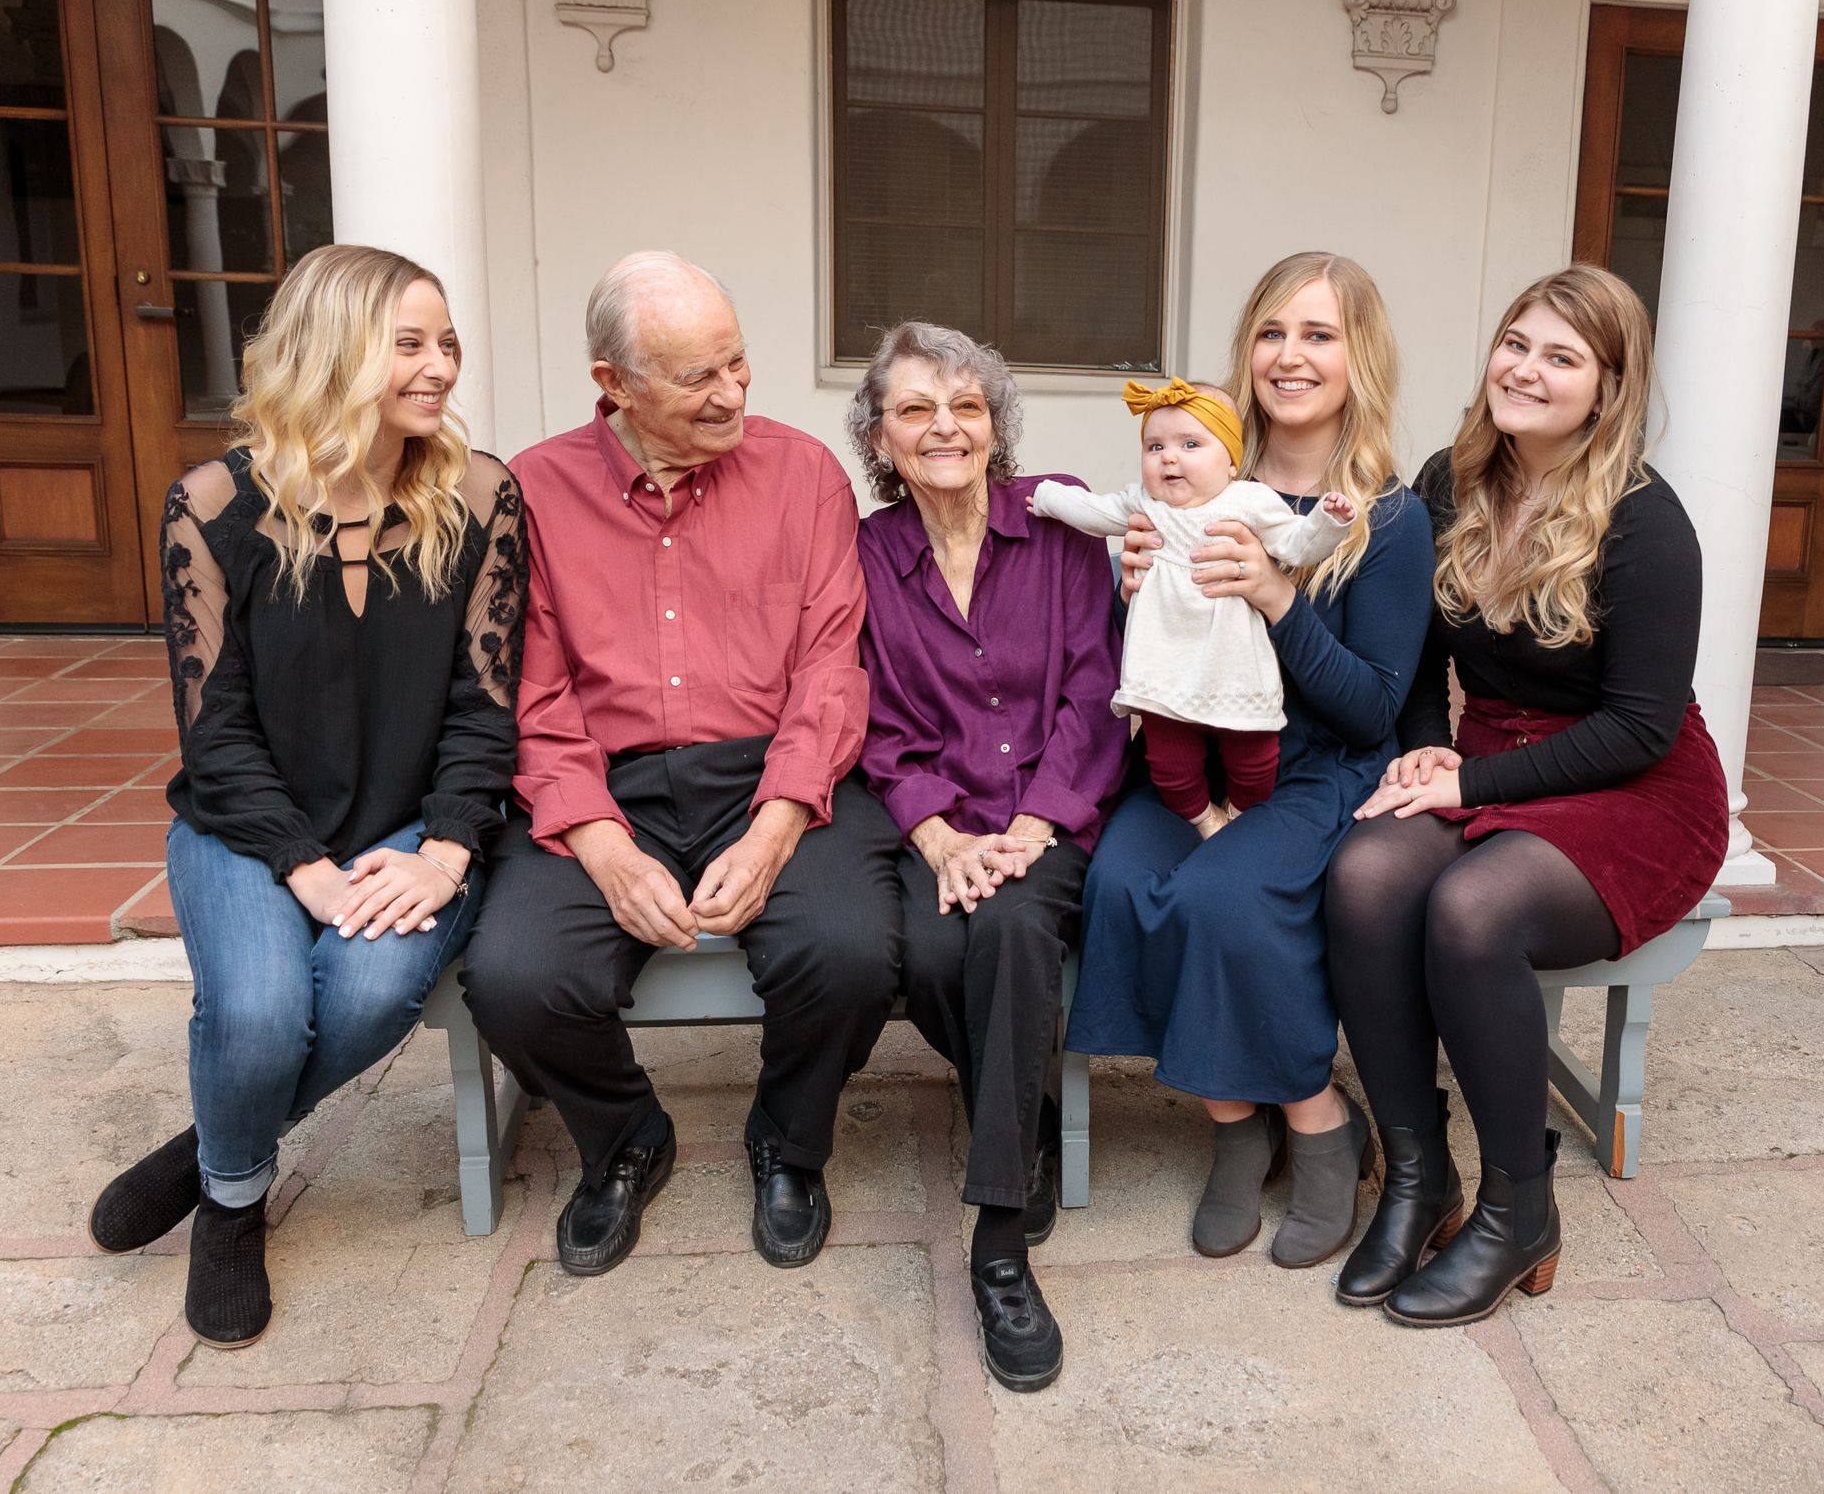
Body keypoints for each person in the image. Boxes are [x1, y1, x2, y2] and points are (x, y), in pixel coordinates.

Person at [88, 244, 524, 1350]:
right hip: (248, 826)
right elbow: (214, 729)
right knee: (258, 1013)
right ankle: (233, 1211)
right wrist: (306, 866)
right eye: (409, 343)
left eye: (447, 341)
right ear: (332, 351)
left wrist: (445, 852)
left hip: (410, 827)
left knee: (372, 996)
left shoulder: (478, 496)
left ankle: (206, 1156)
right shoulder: (214, 504)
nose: (441, 366)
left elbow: (485, 706)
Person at [460, 251, 902, 1278]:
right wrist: (604, 845)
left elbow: (831, 668)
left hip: (769, 771)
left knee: (848, 952)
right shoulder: (531, 488)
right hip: (603, 784)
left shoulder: (801, 474)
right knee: (516, 977)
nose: (733, 392)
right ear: (611, 384)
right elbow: (532, 690)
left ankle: (789, 1141)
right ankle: (624, 1137)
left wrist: (780, 818)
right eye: (698, 376)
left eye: (738, 362)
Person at [1325, 264, 1727, 1327]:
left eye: (1562, 356)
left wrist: (1470, 776)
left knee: (1471, 908)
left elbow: (1639, 726)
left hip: (1630, 789)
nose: (1526, 369)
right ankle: (1420, 1175)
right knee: (1364, 874)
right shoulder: (1445, 482)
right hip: (1485, 759)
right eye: (1516, 342)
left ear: (1606, 386)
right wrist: (1421, 755)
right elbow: (1411, 658)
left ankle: (1517, 1209)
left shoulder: (1645, 523)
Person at [1066, 252, 1434, 1270]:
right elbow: (1138, 656)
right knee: (1121, 878)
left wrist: (1277, 597)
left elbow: (1370, 708)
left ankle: (1318, 1118)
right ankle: (1235, 1119)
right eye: (1272, 332)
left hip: (1319, 768)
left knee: (1221, 894)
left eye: (1318, 335)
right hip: (1197, 757)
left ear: (1358, 357)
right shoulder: (1196, 472)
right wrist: (1132, 585)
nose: (1290, 355)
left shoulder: (1382, 520)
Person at [845, 320, 1129, 1393]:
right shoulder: (870, 556)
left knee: (1011, 927)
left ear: (996, 423)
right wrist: (936, 833)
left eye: (966, 404)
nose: (944, 426)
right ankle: (1030, 1112)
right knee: (917, 954)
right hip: (946, 823)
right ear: (879, 433)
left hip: (1054, 810)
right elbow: (874, 722)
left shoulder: (1056, 519)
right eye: (916, 407)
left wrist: (1039, 822)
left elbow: (1097, 686)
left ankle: (998, 1237)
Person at [1030, 379, 1357, 837]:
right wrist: (1047, 498)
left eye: (1190, 444)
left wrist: (1327, 520)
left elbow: (1298, 544)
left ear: (1230, 462)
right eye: (1154, 445)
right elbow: (1093, 510)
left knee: (1256, 757)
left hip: (1233, 660)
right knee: (1169, 762)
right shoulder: (1144, 504)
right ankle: (1205, 820)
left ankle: (1242, 814)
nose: (1169, 456)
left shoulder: (1248, 501)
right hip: (1166, 662)